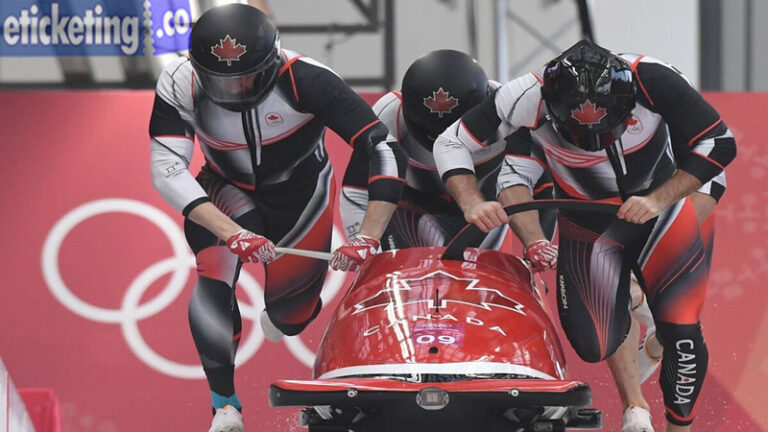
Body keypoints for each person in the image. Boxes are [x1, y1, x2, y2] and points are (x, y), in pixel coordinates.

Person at [433, 39, 735, 432]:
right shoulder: (525, 98)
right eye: (577, 133)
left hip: (666, 203)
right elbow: (454, 142)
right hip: (588, 220)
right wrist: (471, 200)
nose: (592, 142)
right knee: (593, 342)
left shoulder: (656, 81)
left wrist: (660, 199)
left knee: (681, 325)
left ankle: (678, 419)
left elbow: (718, 147)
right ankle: (635, 311)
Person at [148, 5, 406, 431]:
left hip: (301, 198)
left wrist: (369, 235)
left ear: (271, 64)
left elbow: (382, 149)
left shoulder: (309, 79)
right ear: (198, 69)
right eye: (220, 81)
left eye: (245, 78)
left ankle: (286, 314)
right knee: (214, 270)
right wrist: (231, 233)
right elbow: (167, 167)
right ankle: (225, 406)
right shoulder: (179, 79)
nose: (233, 91)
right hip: (225, 189)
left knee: (292, 315)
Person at [342, 49, 556, 261]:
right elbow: (357, 187)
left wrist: (536, 247)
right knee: (414, 277)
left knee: (476, 281)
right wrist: (364, 249)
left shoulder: (511, 111)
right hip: (413, 205)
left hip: (484, 207)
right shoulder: (388, 114)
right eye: (434, 136)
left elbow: (541, 188)